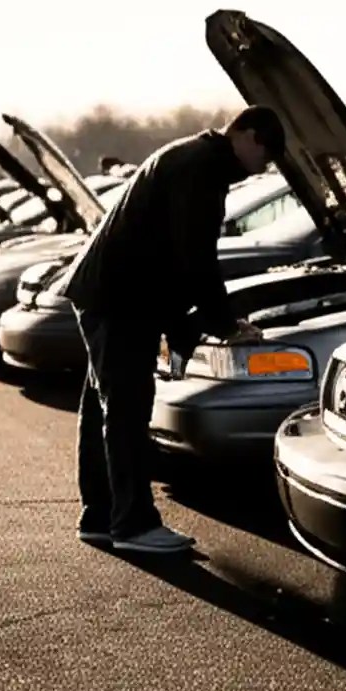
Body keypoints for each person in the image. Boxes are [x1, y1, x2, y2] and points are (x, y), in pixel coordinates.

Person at [58, 105, 285, 553]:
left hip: (108, 293)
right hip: (120, 299)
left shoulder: (192, 157)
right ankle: (133, 525)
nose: (267, 165)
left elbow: (178, 256)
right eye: (268, 153)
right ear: (249, 135)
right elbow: (194, 258)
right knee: (126, 408)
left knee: (106, 408)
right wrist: (224, 324)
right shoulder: (203, 168)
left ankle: (101, 516)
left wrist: (193, 325)